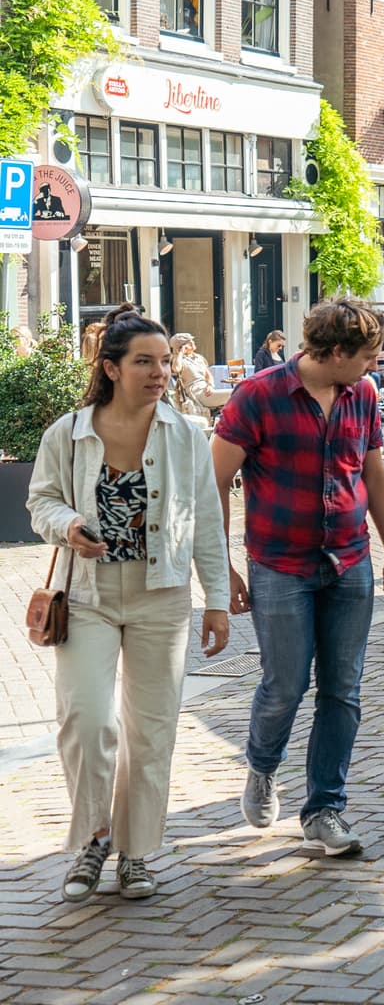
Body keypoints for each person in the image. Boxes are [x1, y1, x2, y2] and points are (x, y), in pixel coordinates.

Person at [28, 304, 231, 903]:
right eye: (145, 362)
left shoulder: (187, 435)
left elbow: (207, 523)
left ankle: (136, 852)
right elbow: (40, 502)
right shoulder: (68, 432)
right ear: (111, 368)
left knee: (151, 732)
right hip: (85, 596)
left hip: (161, 598)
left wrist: (216, 599)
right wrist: (67, 524)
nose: (160, 373)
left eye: (165, 361)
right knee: (86, 722)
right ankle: (94, 838)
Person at [212, 300, 384, 858]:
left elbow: (372, 474)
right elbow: (214, 482)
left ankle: (325, 809)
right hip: (278, 563)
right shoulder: (258, 396)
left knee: (343, 689)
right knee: (285, 685)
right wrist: (221, 569)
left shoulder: (362, 395)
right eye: (368, 356)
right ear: (337, 351)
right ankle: (263, 764)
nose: (375, 365)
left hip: (350, 560)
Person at [169, 333, 231, 419]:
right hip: (196, 393)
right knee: (236, 393)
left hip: (207, 390)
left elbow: (208, 375)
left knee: (240, 392)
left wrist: (210, 385)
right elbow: (176, 368)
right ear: (181, 347)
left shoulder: (199, 358)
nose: (192, 342)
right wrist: (180, 353)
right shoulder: (179, 359)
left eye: (191, 340)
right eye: (188, 342)